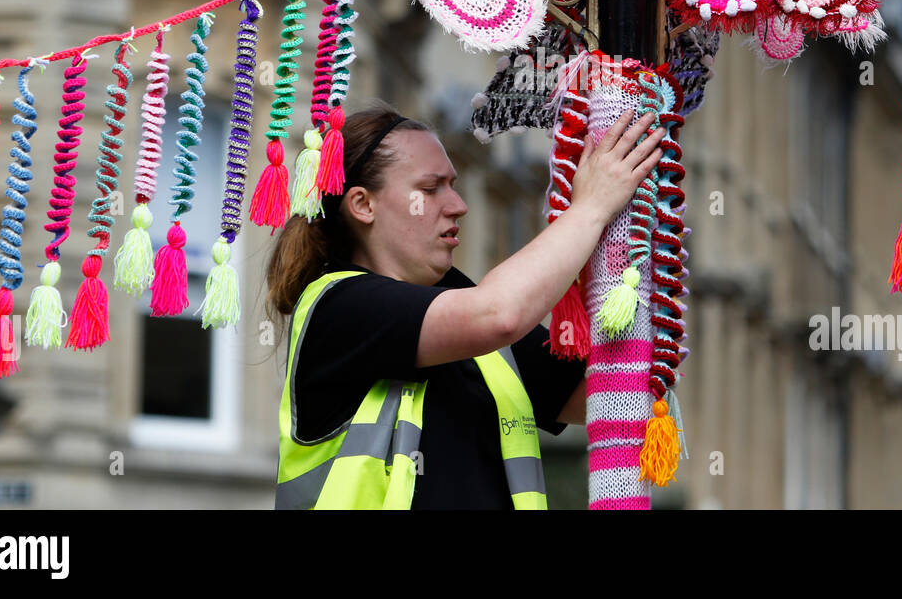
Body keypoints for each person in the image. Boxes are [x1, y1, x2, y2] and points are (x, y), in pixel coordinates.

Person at [265, 98, 665, 509]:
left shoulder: (459, 301)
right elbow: (500, 313)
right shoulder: (339, 304)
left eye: (453, 185)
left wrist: (632, 259)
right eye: (430, 188)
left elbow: (602, 392)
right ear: (363, 205)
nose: (458, 205)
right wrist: (593, 207)